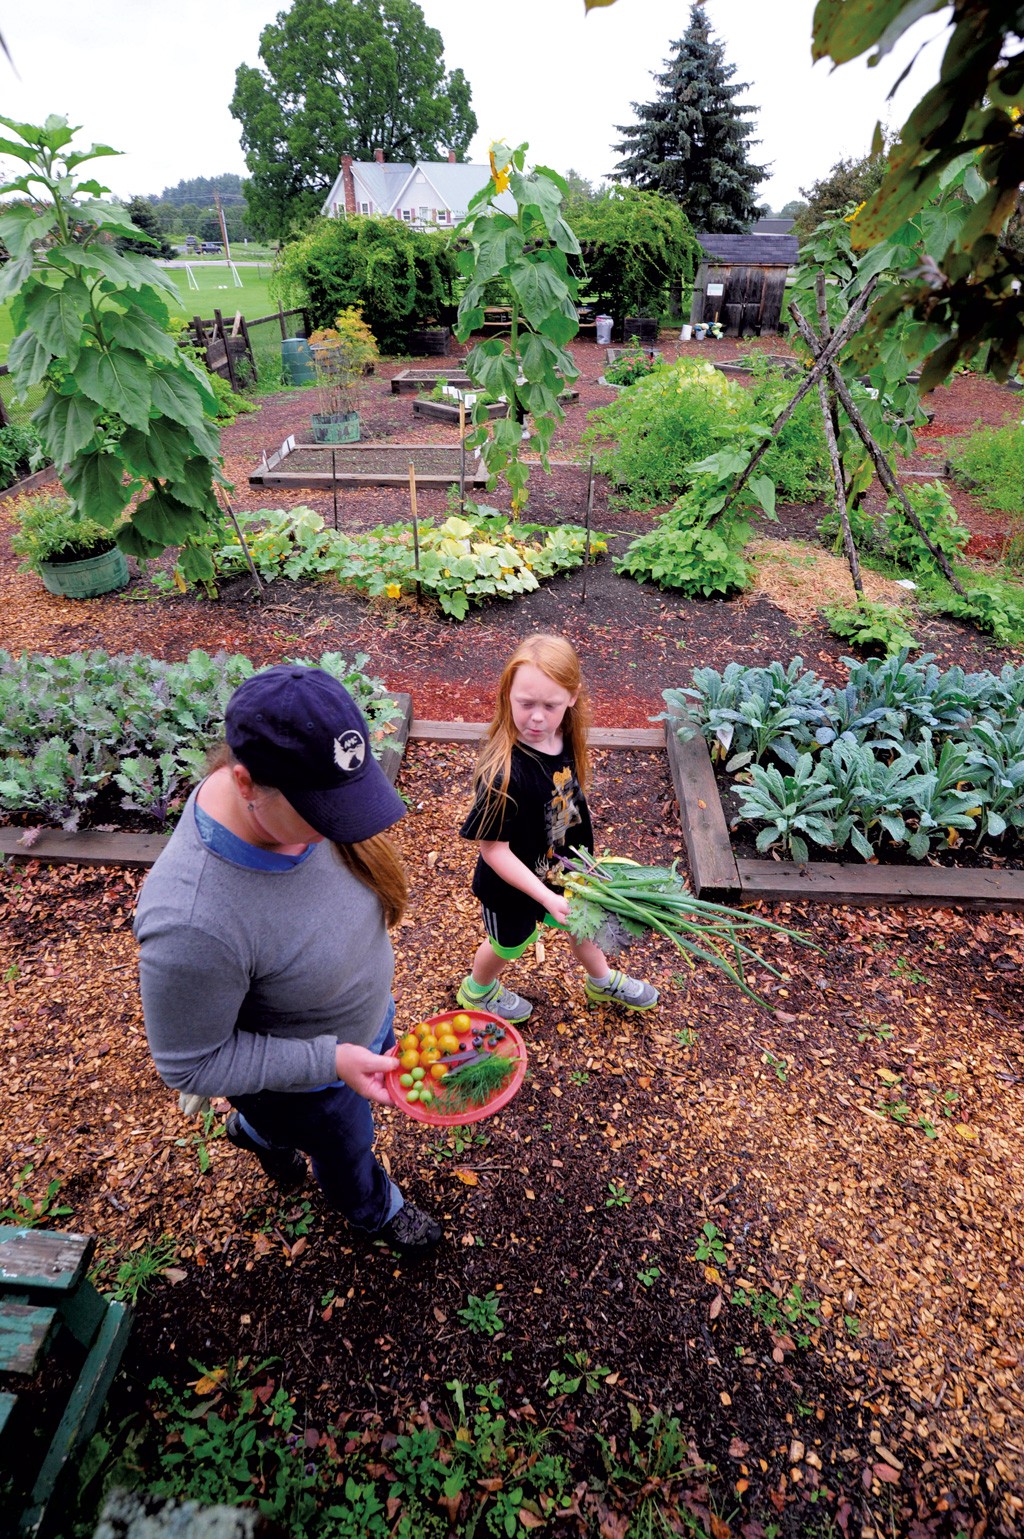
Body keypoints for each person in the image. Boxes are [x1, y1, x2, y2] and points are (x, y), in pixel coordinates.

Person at [134, 664, 441, 1257]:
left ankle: (255, 1130)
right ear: (245, 784)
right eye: (320, 816)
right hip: (312, 1081)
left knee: (302, 1127)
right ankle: (372, 1210)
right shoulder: (192, 921)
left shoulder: (298, 793)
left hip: (358, 1035)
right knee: (344, 1146)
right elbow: (191, 1066)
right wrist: (330, 1059)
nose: (337, 831)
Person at [456, 633, 659, 1024]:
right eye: (525, 703)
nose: (536, 717)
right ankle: (478, 991)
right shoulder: (503, 772)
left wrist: (586, 867)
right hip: (510, 888)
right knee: (508, 943)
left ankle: (600, 981)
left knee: (584, 929)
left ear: (572, 697)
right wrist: (546, 899)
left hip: (565, 872)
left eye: (549, 705)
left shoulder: (565, 737)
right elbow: (493, 851)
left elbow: (566, 804)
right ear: (506, 694)